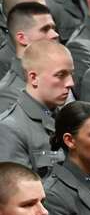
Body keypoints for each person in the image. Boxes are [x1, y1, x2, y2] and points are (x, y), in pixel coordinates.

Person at [0, 40, 72, 177]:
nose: (70, 83)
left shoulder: (67, 118)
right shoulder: (9, 129)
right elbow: (19, 193)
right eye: (61, 75)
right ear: (34, 78)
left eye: (71, 74)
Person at [0, 1, 60, 113]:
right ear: (22, 38)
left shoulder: (59, 76)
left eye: (53, 28)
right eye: (45, 29)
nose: (55, 34)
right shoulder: (7, 95)